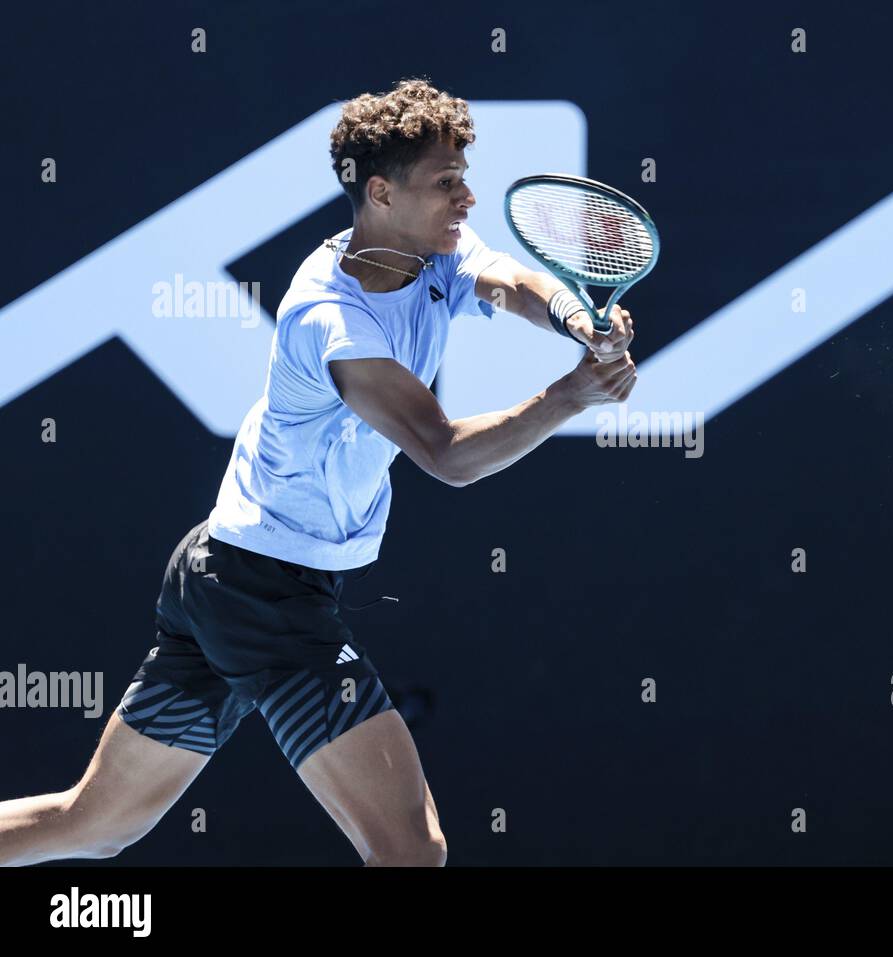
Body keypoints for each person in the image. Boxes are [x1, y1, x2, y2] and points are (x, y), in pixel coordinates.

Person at [0, 78, 636, 867]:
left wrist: (574, 317)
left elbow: (510, 281)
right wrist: (572, 393)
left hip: (222, 572)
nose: (467, 198)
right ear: (380, 192)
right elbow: (445, 453)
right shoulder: (332, 318)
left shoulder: (432, 250)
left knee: (94, 821)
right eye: (446, 182)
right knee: (410, 849)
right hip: (265, 595)